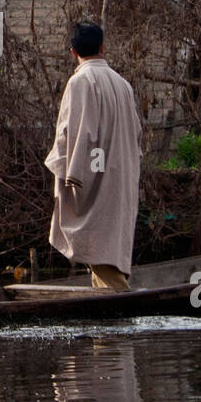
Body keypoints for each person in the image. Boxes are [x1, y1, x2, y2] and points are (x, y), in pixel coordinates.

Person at [44, 22, 142, 290]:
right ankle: (105, 315)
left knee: (98, 244)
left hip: (94, 178)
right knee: (107, 245)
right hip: (121, 176)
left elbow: (73, 134)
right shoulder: (123, 85)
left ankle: (121, 302)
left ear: (72, 51)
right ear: (101, 47)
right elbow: (136, 135)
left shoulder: (80, 82)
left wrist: (67, 174)